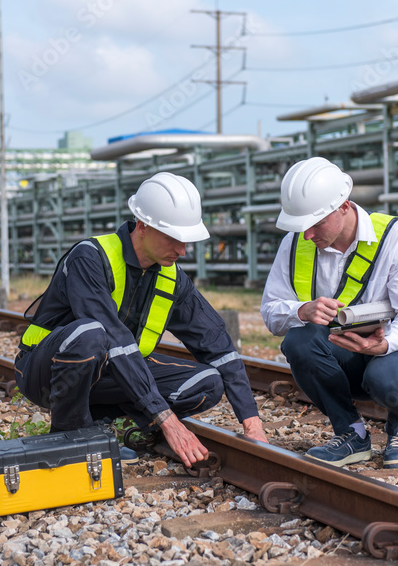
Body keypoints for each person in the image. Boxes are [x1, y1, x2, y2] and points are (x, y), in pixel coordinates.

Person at [15, 172, 267, 467]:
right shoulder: (90, 258)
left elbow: (217, 343)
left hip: (110, 374)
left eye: (187, 240)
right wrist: (167, 420)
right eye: (173, 238)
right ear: (143, 225)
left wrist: (252, 422)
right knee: (92, 333)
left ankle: (100, 422)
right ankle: (71, 433)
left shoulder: (172, 277)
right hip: (44, 372)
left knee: (208, 383)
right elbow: (113, 338)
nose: (182, 250)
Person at [260, 157, 398, 468]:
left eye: (317, 223)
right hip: (344, 349)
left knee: (387, 379)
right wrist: (302, 310)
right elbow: (271, 311)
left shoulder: (397, 237)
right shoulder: (295, 243)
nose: (307, 234)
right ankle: (351, 434)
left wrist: (383, 345)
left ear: (344, 206)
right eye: (302, 225)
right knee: (298, 343)